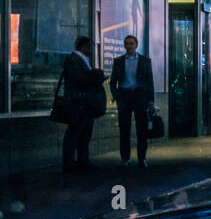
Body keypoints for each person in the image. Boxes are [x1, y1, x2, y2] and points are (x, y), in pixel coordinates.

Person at [109, 34, 155, 168]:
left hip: (139, 97)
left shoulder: (145, 61)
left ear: (136, 45)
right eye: (126, 44)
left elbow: (149, 82)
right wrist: (116, 96)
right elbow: (113, 82)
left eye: (131, 43)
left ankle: (142, 159)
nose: (129, 46)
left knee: (142, 130)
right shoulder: (118, 61)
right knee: (124, 130)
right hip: (124, 97)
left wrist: (151, 102)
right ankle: (125, 158)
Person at [61, 36, 103, 173]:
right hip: (78, 103)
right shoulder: (73, 59)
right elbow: (78, 80)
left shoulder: (82, 60)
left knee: (84, 134)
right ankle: (69, 163)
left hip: (86, 102)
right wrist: (95, 76)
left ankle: (82, 161)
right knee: (74, 133)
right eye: (90, 46)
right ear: (84, 46)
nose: (91, 50)